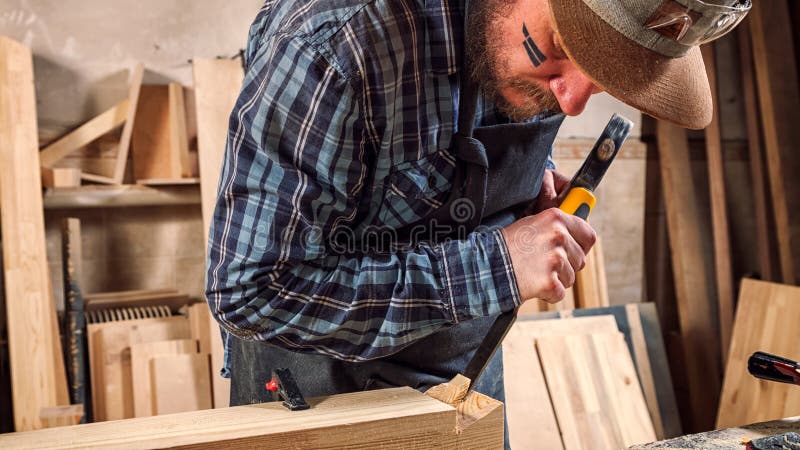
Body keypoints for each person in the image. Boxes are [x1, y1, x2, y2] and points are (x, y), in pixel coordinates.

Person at [206, 0, 750, 446]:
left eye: (604, 77)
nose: (572, 101)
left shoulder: (534, 49)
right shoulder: (334, 42)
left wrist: (523, 185)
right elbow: (251, 290)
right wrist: (497, 266)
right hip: (319, 402)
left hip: (464, 389)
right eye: (562, 49)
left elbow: (451, 141)